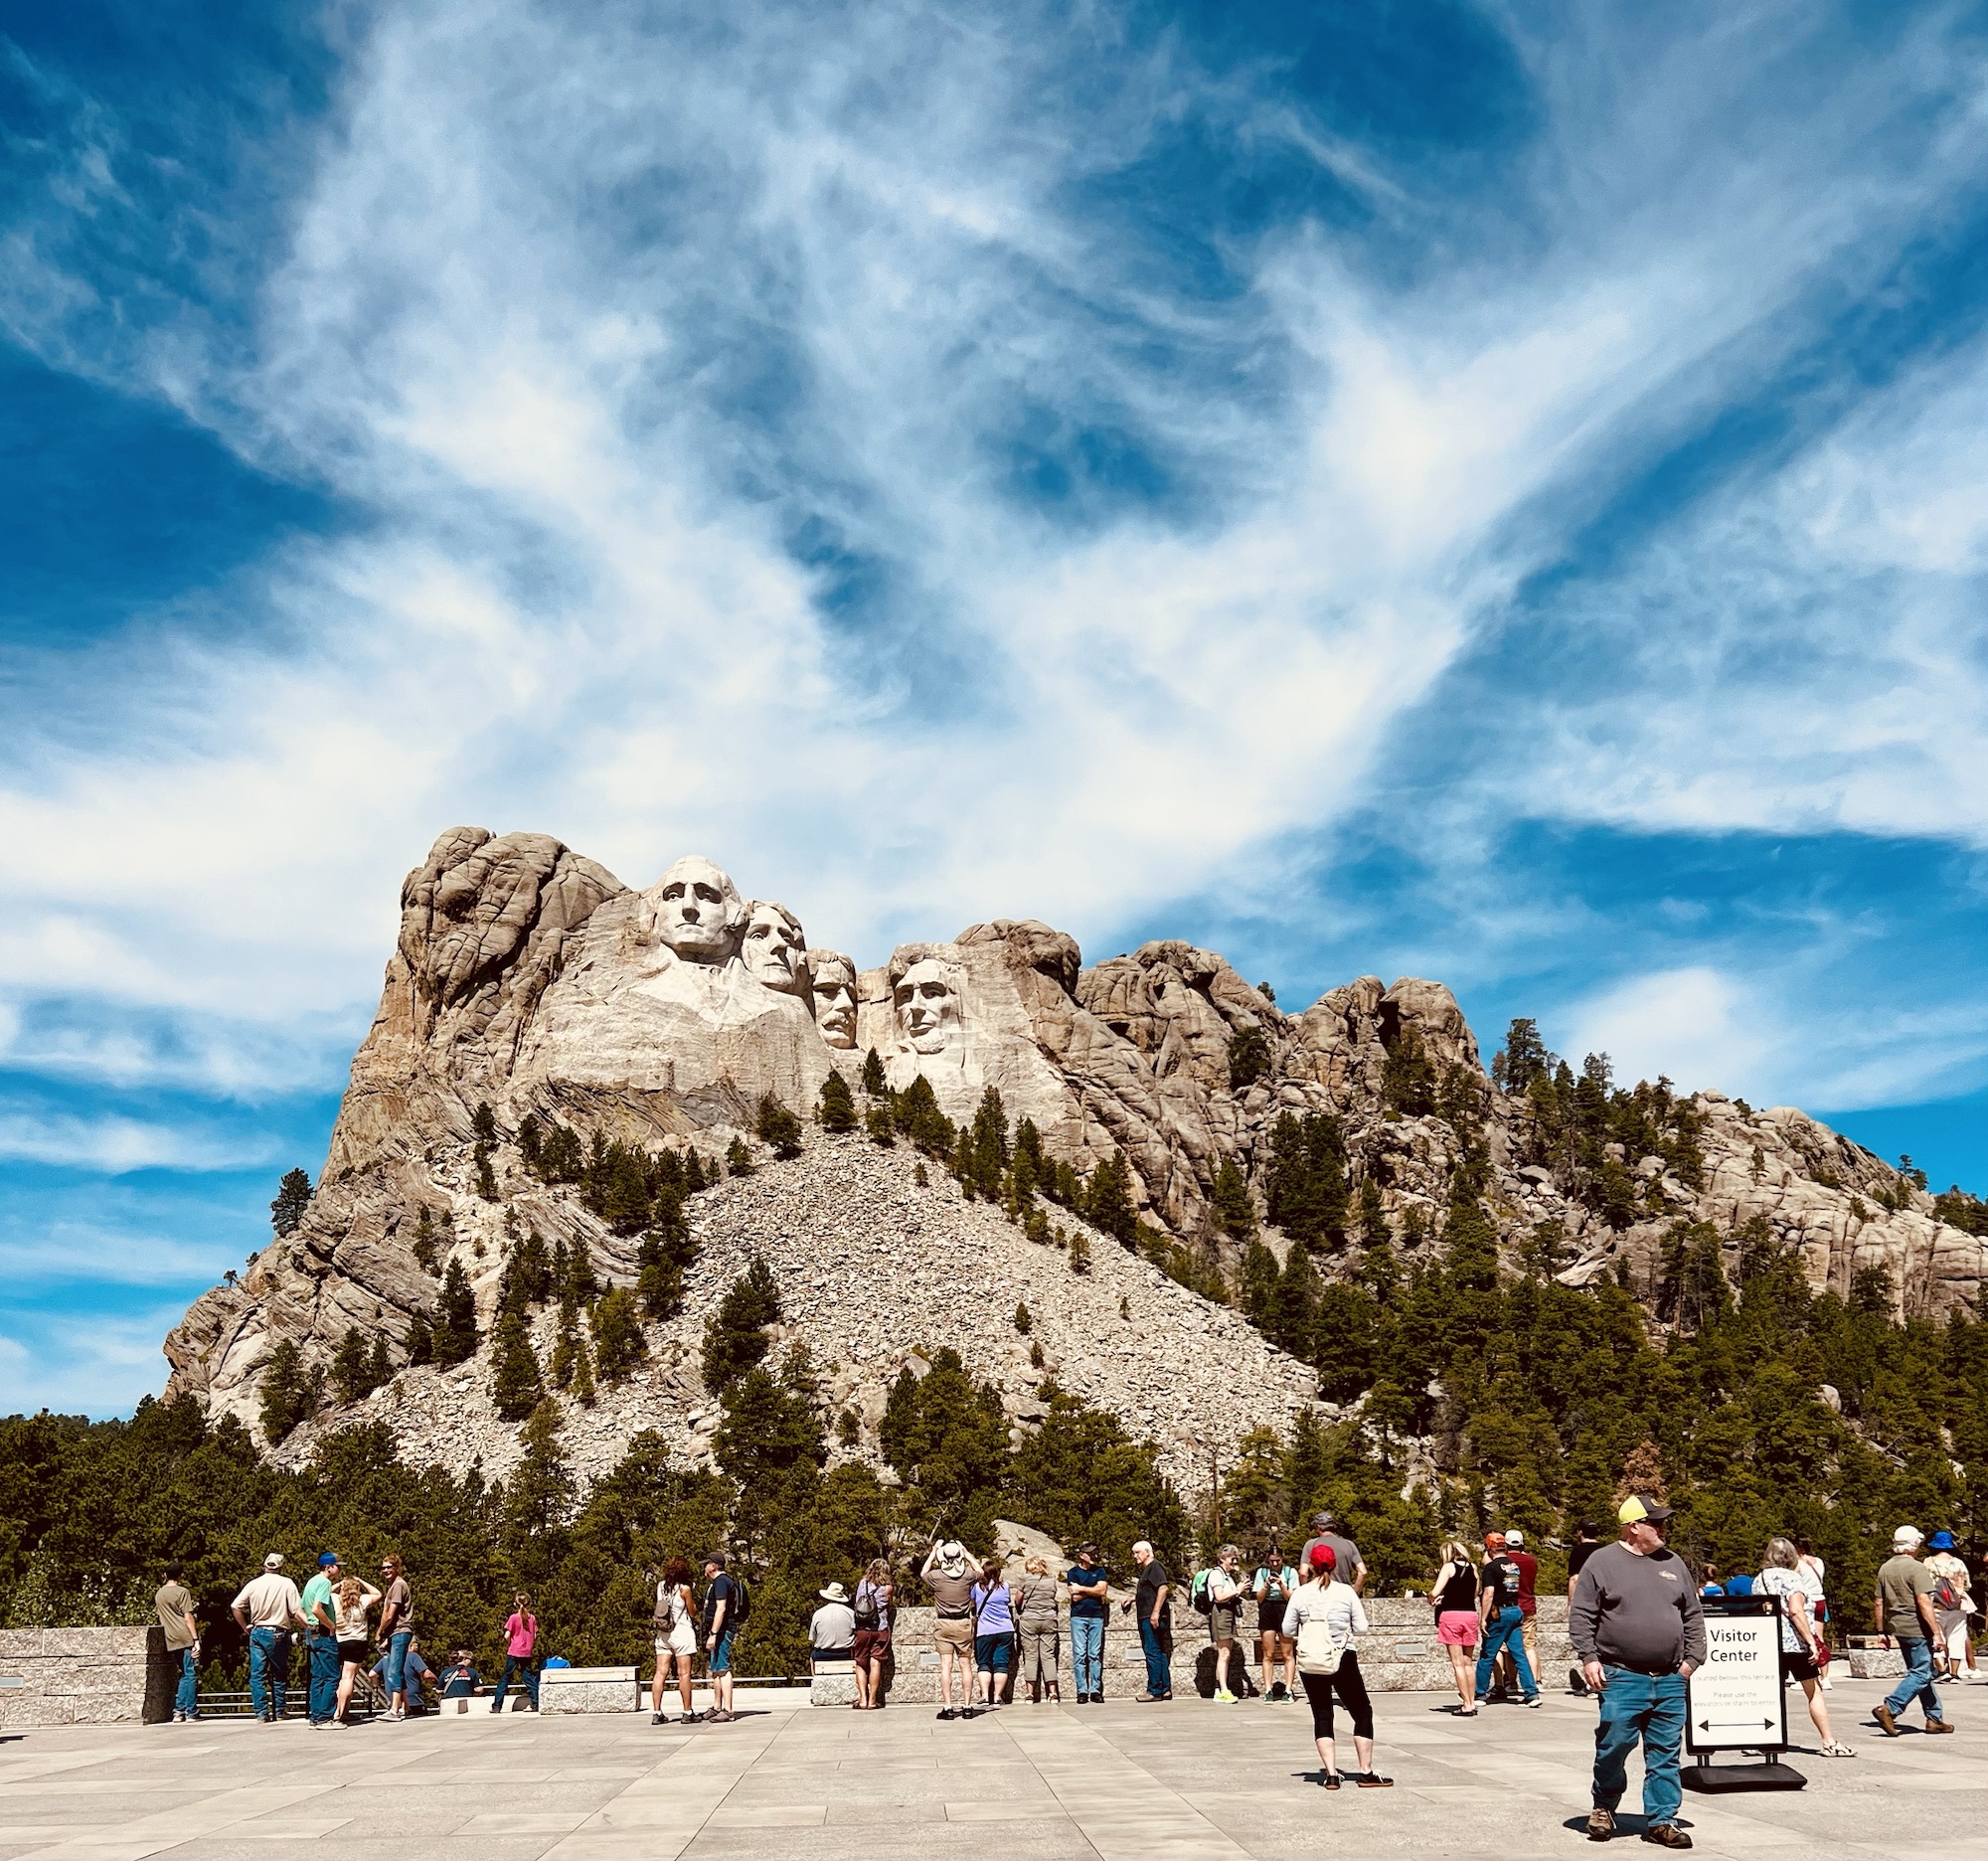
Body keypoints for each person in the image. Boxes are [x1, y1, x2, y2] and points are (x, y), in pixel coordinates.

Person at [1569, 1494, 1705, 1849]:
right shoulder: (1601, 1562)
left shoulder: (1674, 1563)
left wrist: (1692, 1660)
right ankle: (1604, 1807)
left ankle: (1661, 1820)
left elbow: (1692, 1614)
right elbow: (1582, 1615)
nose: (1663, 1528)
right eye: (1655, 1522)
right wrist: (1589, 1657)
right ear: (1633, 1527)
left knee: (1665, 1753)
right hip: (1621, 1676)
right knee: (1613, 1746)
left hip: (1671, 1677)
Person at [1283, 1545, 1389, 1788]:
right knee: (1362, 1712)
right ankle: (1365, 1771)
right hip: (1342, 1655)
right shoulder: (1346, 1592)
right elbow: (1362, 1627)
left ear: (1309, 1566)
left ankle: (1331, 1775)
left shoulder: (1300, 1593)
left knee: (1322, 1713)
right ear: (1335, 1565)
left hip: (1311, 1659)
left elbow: (1287, 1630)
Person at [1754, 1537, 1852, 1757]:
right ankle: (1828, 1741)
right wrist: (1811, 1641)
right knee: (1813, 1691)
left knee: (1771, 1692)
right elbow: (1796, 1610)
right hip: (1795, 1644)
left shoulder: (1758, 1579)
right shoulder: (1793, 1579)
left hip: (1768, 1642)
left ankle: (1762, 1739)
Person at [1874, 1525, 1950, 1737]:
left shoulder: (1885, 1568)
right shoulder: (1917, 1569)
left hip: (1898, 1627)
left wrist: (1881, 1631)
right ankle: (1890, 1707)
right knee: (1922, 1672)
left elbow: (1878, 1602)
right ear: (1914, 1544)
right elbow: (1924, 1601)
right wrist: (1936, 1632)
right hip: (1917, 1627)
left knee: (1920, 1672)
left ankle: (1934, 1718)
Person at [230, 1552, 307, 1723]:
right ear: (280, 1567)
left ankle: (261, 1713)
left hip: (257, 1631)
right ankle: (279, 1710)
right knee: (278, 1673)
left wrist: (244, 1627)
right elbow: (296, 1611)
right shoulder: (287, 1583)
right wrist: (309, 1627)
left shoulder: (253, 1584)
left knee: (257, 1675)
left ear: (265, 1566)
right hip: (277, 1632)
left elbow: (235, 1606)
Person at [1475, 1533, 1540, 1707]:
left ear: (1489, 1548)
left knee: (1487, 1654)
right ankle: (1531, 1693)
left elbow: (1488, 1593)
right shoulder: (1513, 1565)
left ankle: (1480, 1693)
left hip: (1500, 1613)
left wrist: (1483, 1618)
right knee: (1519, 1654)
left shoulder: (1490, 1568)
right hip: (1515, 1610)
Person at [922, 1539, 977, 1721]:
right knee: (965, 1665)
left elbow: (923, 1572)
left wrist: (934, 1550)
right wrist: (966, 1552)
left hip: (944, 1624)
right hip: (963, 1623)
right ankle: (967, 1706)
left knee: (946, 1666)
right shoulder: (968, 1576)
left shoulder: (936, 1577)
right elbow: (980, 1571)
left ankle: (948, 1707)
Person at [1430, 1540, 1480, 1715]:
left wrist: (1433, 1599)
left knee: (1457, 1664)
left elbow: (1435, 1591)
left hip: (1451, 1616)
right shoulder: (1473, 1568)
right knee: (1468, 1662)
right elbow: (1474, 1592)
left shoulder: (1448, 1568)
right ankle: (1472, 1701)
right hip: (1471, 1615)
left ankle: (1466, 1703)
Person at [330, 1571, 381, 1727]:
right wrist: (360, 1580)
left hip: (340, 1641)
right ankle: (341, 1712)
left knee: (342, 1679)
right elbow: (378, 1594)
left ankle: (340, 1711)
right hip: (358, 1642)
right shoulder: (362, 1601)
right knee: (349, 1678)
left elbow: (327, 1591)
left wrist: (340, 1584)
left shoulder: (335, 1600)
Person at [1125, 1539, 1173, 1702]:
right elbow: (1151, 1591)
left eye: (1137, 1552)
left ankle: (1154, 1690)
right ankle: (1165, 1688)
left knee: (1152, 1652)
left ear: (1147, 1551)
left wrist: (1155, 1612)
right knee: (1159, 1652)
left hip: (1151, 1616)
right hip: (1151, 1614)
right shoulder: (1150, 1569)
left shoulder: (1154, 1567)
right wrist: (1134, 1598)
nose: (1135, 1556)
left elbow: (1163, 1588)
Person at [647, 1565, 695, 1723]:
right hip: (681, 1632)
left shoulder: (660, 1586)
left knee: (660, 1672)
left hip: (663, 1633)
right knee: (684, 1673)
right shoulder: (685, 1589)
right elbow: (692, 1611)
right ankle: (687, 1711)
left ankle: (657, 1711)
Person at [1252, 1543, 1299, 1703]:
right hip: (1267, 1609)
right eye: (1271, 1561)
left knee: (1287, 1652)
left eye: (1277, 1561)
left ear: (1282, 1559)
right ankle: (1268, 1689)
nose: (1274, 1564)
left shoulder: (1290, 1572)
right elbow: (1258, 1598)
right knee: (1268, 1653)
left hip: (1284, 1608)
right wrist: (1266, 1584)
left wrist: (1281, 1584)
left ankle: (1288, 1689)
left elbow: (1291, 1597)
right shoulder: (1261, 1572)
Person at [1925, 1532, 1975, 1681]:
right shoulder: (1958, 1563)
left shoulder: (1928, 1562)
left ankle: (1941, 1671)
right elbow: (1967, 1584)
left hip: (1935, 1605)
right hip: (1957, 1606)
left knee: (1937, 1637)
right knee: (1957, 1638)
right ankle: (1954, 1673)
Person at [154, 1562, 201, 1723]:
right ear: (181, 1575)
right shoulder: (182, 1592)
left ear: (165, 1575)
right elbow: (188, 1616)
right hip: (184, 1635)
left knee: (184, 1673)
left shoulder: (159, 1594)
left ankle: (178, 1711)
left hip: (170, 1636)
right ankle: (190, 1711)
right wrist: (196, 1639)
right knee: (190, 1673)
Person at [300, 1553, 342, 1728]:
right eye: (337, 1565)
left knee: (317, 1677)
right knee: (332, 1676)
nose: (339, 1569)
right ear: (329, 1567)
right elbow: (317, 1609)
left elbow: (301, 1609)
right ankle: (326, 1717)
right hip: (324, 1633)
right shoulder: (325, 1582)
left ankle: (315, 1716)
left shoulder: (311, 1581)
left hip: (311, 1632)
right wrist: (331, 1625)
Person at [1013, 1556, 1062, 1704]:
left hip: (1029, 1619)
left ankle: (1029, 1694)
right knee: (1048, 1656)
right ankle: (1053, 1693)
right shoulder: (1051, 1580)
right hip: (1048, 1619)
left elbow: (1017, 1600)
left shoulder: (1024, 1579)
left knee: (1031, 1656)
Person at [1067, 1543, 1110, 1704]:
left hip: (1096, 1617)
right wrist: (1092, 1591)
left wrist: (1082, 1589)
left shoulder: (1099, 1571)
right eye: (1089, 1554)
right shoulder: (1073, 1572)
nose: (1093, 1557)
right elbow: (1075, 1597)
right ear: (1082, 1555)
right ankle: (1082, 1691)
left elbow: (1102, 1591)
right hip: (1078, 1617)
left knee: (1095, 1654)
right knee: (1079, 1654)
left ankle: (1095, 1690)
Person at [971, 1558, 1016, 1710]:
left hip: (985, 1631)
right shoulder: (1005, 1587)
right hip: (1005, 1629)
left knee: (984, 1663)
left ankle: (984, 1695)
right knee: (1001, 1664)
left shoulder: (978, 1587)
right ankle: (997, 1696)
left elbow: (972, 1601)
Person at [702, 1553, 742, 1724]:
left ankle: (728, 1709)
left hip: (722, 1631)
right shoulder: (719, 1583)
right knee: (716, 1669)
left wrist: (713, 1634)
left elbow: (721, 1609)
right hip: (718, 1631)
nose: (704, 1568)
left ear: (713, 1566)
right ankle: (717, 1706)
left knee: (723, 1669)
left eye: (707, 1564)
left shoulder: (721, 1583)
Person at [1566, 1523, 1603, 1695]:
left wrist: (1571, 1603)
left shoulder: (1578, 1552)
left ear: (1580, 1532)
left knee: (1588, 1642)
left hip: (1587, 1602)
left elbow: (1574, 1578)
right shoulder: (1605, 1551)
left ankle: (1592, 1683)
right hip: (1605, 1602)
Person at [377, 1553, 414, 1722]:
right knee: (396, 1670)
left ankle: (395, 1709)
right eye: (383, 1567)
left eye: (389, 1567)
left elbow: (390, 1614)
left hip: (400, 1631)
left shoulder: (398, 1586)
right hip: (396, 1633)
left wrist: (379, 1632)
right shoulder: (394, 1585)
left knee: (393, 1671)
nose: (386, 1570)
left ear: (397, 1568)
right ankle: (406, 1706)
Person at [853, 1558, 895, 1710]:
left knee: (860, 1663)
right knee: (875, 1662)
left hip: (862, 1628)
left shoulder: (862, 1583)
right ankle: (872, 1700)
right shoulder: (888, 1588)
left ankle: (862, 1699)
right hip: (880, 1628)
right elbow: (889, 1606)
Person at [1207, 1544, 1245, 1702]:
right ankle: (1222, 1689)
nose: (1234, 1561)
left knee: (1226, 1653)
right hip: (1221, 1613)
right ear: (1222, 1559)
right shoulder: (1216, 1574)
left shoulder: (1227, 1575)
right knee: (1224, 1653)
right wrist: (1237, 1590)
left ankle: (1221, 1688)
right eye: (1232, 1558)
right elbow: (1219, 1596)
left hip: (1228, 1613)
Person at [495, 1590, 542, 1716]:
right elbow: (535, 1634)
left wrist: (511, 1642)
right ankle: (535, 1702)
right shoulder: (532, 1618)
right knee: (528, 1677)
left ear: (515, 1604)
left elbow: (506, 1635)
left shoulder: (513, 1618)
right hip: (527, 1652)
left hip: (514, 1651)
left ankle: (497, 1705)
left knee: (506, 1677)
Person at [1505, 1529, 1542, 1690]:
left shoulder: (1505, 1561)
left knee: (1509, 1648)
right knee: (1529, 1646)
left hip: (1510, 1607)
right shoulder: (1531, 1561)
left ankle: (1511, 1682)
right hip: (1528, 1605)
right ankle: (1535, 1682)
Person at [1794, 1538, 1832, 1690]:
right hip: (1820, 1600)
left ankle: (1805, 1676)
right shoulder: (1819, 1562)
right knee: (1820, 1638)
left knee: (1806, 1638)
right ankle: (1825, 1677)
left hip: (1807, 1601)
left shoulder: (1797, 1565)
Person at [1299, 1512, 1368, 1595]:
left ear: (1318, 1527)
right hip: (1343, 1594)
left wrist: (1305, 1592)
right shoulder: (1349, 1544)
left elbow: (1303, 1573)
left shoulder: (1311, 1545)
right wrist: (1355, 1592)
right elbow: (1363, 1572)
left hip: (1320, 1593)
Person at [373, 1635, 434, 1713]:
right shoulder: (412, 1656)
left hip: (393, 1702)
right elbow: (428, 1675)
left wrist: (380, 1688)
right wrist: (438, 1684)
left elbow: (372, 1674)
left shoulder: (385, 1659)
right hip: (413, 1701)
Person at [811, 1582, 858, 1669]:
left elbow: (813, 1638)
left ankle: (815, 1679)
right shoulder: (850, 1613)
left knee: (812, 1655)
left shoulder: (818, 1614)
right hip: (845, 1653)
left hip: (823, 1654)